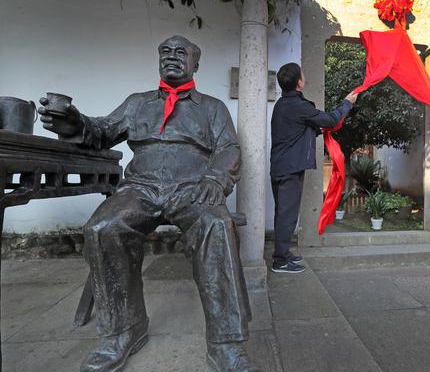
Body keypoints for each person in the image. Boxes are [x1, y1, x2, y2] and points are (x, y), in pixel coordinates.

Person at [38, 36, 258, 372]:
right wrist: (75, 122)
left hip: (191, 187)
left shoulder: (213, 107)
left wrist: (215, 179)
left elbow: (230, 148)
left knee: (217, 225)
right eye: (165, 51)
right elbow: (101, 131)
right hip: (140, 187)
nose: (171, 56)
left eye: (180, 52)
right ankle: (124, 331)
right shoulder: (137, 103)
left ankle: (225, 342)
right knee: (102, 227)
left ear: (195, 64)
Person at [270, 62, 358, 273]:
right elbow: (331, 119)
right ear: (299, 82)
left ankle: (283, 252)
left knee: (283, 213)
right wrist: (347, 103)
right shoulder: (299, 106)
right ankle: (280, 261)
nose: (305, 77)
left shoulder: (283, 105)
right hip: (289, 169)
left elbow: (297, 130)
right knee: (287, 215)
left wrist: (316, 130)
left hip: (282, 166)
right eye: (303, 74)